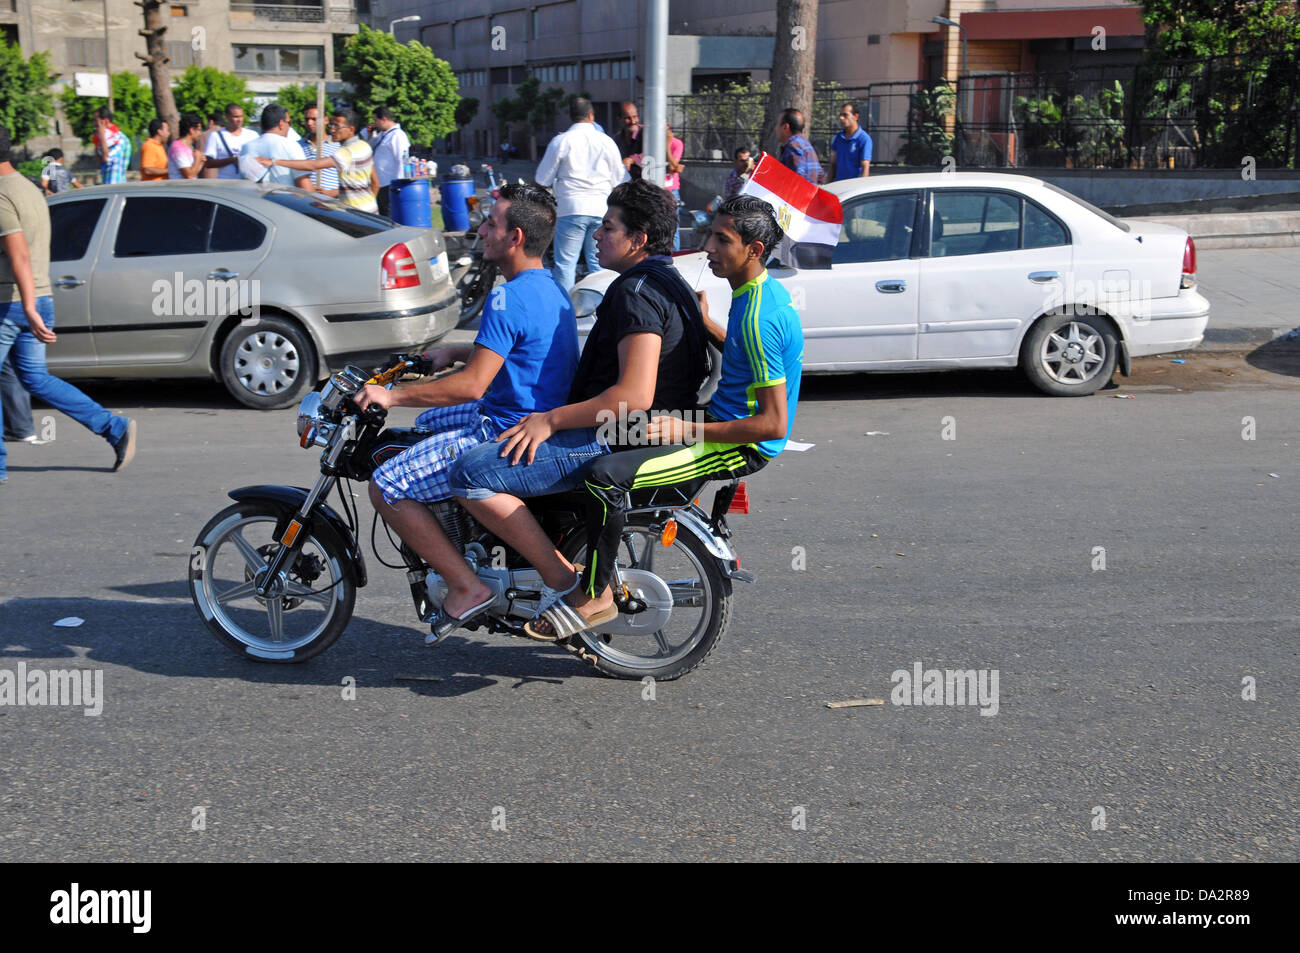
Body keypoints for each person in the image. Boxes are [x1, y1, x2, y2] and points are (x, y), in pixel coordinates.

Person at [447, 179, 710, 638]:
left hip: (618, 431)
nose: (596, 235)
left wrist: (550, 420)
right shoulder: (672, 280)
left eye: (608, 228)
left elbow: (634, 396)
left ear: (639, 239)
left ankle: (582, 590)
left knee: (470, 474)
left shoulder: (637, 292)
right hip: (646, 428)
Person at [559, 195, 802, 638]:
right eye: (709, 233)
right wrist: (708, 324)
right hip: (713, 420)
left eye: (721, 239)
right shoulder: (755, 293)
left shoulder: (759, 316)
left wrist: (687, 428)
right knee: (604, 432)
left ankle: (593, 595)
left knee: (602, 476)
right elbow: (748, 358)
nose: (707, 247)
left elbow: (772, 425)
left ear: (755, 250)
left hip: (736, 443)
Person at [352, 185, 579, 637]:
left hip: (505, 428)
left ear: (514, 237)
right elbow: (518, 354)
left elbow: (472, 385)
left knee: (388, 484)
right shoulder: (548, 286)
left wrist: (391, 396)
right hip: (522, 411)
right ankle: (464, 534)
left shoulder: (504, 297)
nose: (481, 229)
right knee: (423, 425)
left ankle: (466, 585)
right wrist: (457, 349)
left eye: (490, 224)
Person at [0, 123, 137, 485]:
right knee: (36, 378)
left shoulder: (0, 195)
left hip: (12, 302)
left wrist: (27, 307)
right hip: (39, 296)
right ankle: (115, 428)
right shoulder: (28, 189)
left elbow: (20, 257)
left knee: (32, 377)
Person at [534, 96, 625, 292]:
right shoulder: (606, 142)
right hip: (602, 210)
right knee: (599, 264)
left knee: (566, 264)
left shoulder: (561, 141)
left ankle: (565, 314)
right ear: (591, 115)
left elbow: (542, 180)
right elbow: (620, 179)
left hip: (570, 208)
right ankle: (601, 311)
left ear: (571, 116)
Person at [257, 109, 378, 213]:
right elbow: (375, 183)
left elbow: (312, 165)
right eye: (332, 126)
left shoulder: (346, 152)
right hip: (369, 210)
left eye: (337, 127)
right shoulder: (364, 146)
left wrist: (274, 162)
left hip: (355, 213)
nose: (332, 130)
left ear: (351, 129)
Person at [240, 104, 315, 190]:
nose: (289, 127)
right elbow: (304, 183)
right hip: (283, 201)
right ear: (281, 124)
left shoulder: (247, 147)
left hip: (252, 201)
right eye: (288, 122)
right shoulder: (290, 145)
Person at [369, 107, 411, 216]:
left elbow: (402, 160)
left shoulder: (398, 135)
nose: (375, 123)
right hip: (379, 183)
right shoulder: (384, 134)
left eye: (376, 120)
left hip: (390, 184)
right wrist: (370, 133)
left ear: (383, 119)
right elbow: (370, 146)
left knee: (388, 215)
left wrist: (399, 184)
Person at [204, 103, 259, 180]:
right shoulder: (216, 136)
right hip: (226, 183)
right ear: (226, 117)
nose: (239, 120)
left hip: (249, 182)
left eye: (241, 116)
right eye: (236, 117)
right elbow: (208, 163)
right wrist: (231, 160)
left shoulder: (252, 135)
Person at [298, 105, 340, 198]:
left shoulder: (338, 146)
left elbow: (352, 181)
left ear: (326, 120)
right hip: (306, 203)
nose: (309, 123)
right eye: (307, 119)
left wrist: (332, 193)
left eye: (314, 119)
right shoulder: (298, 146)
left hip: (334, 205)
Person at [776, 107, 823, 184]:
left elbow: (797, 179)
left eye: (777, 124)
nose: (776, 128)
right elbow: (820, 175)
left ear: (785, 127)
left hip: (798, 195)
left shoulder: (793, 147)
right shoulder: (807, 146)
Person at [828, 101, 872, 181]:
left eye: (845, 115)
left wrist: (861, 189)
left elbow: (865, 166)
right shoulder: (838, 137)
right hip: (838, 186)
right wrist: (828, 185)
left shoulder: (864, 139)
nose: (841, 118)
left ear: (856, 116)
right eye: (841, 115)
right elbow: (833, 163)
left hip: (853, 189)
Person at [94, 108, 130, 185]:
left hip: (115, 184)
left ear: (105, 121)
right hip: (107, 181)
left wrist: (102, 136)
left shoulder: (119, 138)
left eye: (96, 121)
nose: (94, 124)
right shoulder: (106, 138)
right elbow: (99, 161)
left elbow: (107, 158)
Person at [167, 113, 208, 179]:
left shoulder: (188, 146)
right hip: (180, 188)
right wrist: (197, 158)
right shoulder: (178, 148)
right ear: (191, 130)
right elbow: (189, 176)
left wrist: (201, 162)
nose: (200, 133)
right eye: (199, 130)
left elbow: (194, 173)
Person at [665, 121, 685, 251]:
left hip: (671, 189)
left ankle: (675, 258)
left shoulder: (676, 143)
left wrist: (666, 144)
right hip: (655, 187)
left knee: (673, 228)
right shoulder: (650, 141)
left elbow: (674, 166)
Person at [614, 101, 644, 180]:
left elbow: (654, 154)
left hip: (647, 185)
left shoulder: (646, 134)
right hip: (627, 184)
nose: (633, 121)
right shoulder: (617, 139)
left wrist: (632, 160)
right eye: (628, 118)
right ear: (619, 119)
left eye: (635, 117)